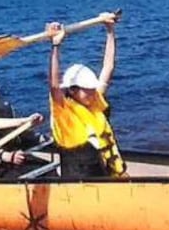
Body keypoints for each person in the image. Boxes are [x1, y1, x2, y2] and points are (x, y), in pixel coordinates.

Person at [45, 12, 126, 178]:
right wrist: (55, 46)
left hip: (105, 173)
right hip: (78, 181)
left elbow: (108, 66)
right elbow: (54, 85)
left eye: (91, 88)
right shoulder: (63, 110)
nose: (92, 92)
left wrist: (110, 31)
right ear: (73, 90)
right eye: (86, 89)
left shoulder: (94, 99)